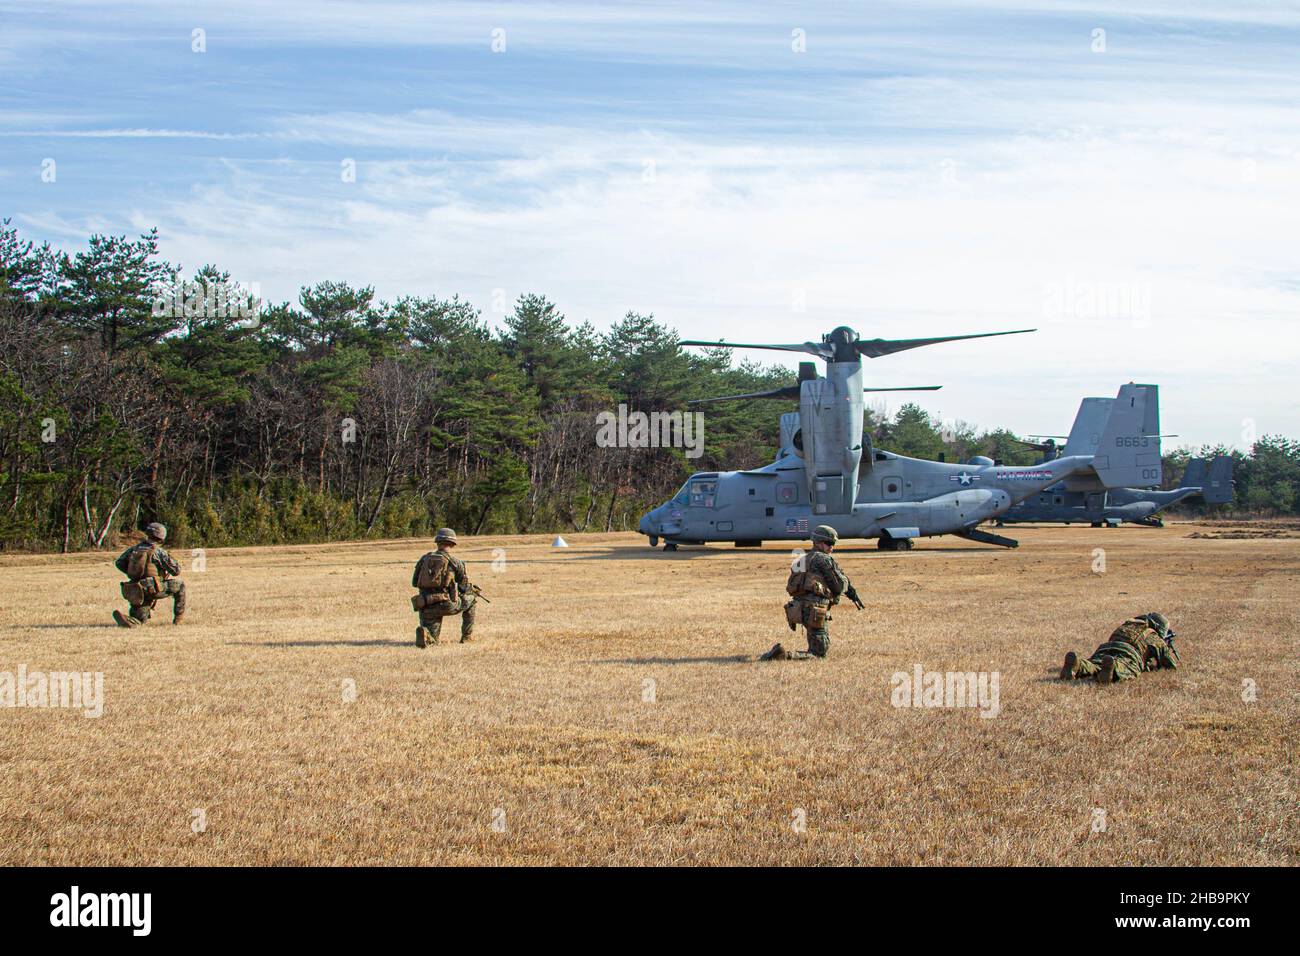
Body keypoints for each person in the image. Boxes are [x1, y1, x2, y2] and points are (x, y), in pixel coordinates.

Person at [761, 525, 863, 660]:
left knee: (818, 647)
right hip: (815, 611)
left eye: (833, 543)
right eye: (829, 543)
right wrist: (846, 582)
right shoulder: (823, 559)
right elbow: (838, 587)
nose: (832, 547)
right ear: (818, 543)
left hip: (798, 609)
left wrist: (852, 594)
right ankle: (783, 655)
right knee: (819, 653)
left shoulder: (801, 559)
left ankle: (779, 654)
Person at [1060, 612, 1179, 683]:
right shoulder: (1152, 634)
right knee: (1126, 667)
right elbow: (1169, 664)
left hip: (1106, 647)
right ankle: (1113, 669)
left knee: (1096, 663)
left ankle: (1078, 665)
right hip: (1129, 652)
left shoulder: (1129, 624)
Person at [411, 528, 477, 647]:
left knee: (432, 640)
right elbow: (464, 587)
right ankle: (467, 636)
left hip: (425, 605)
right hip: (446, 604)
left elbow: (415, 582)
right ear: (452, 543)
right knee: (472, 599)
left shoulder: (424, 559)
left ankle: (426, 634)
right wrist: (472, 591)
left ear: (437, 542)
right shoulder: (455, 562)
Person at [113, 522, 186, 627]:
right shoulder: (158, 551)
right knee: (180, 585)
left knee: (140, 619)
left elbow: (119, 563)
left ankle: (131, 621)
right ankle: (179, 619)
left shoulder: (134, 549)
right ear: (161, 537)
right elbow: (176, 571)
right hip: (153, 588)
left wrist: (133, 573)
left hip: (136, 590)